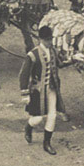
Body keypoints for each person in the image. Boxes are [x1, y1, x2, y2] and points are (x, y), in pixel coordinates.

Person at [19, 24, 62, 156]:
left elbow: (60, 63)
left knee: (52, 115)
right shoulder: (32, 55)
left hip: (52, 88)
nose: (50, 42)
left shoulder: (53, 51)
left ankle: (47, 143)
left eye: (51, 39)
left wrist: (74, 59)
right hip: (37, 91)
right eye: (47, 40)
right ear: (41, 39)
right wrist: (25, 94)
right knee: (37, 119)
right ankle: (29, 126)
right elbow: (23, 75)